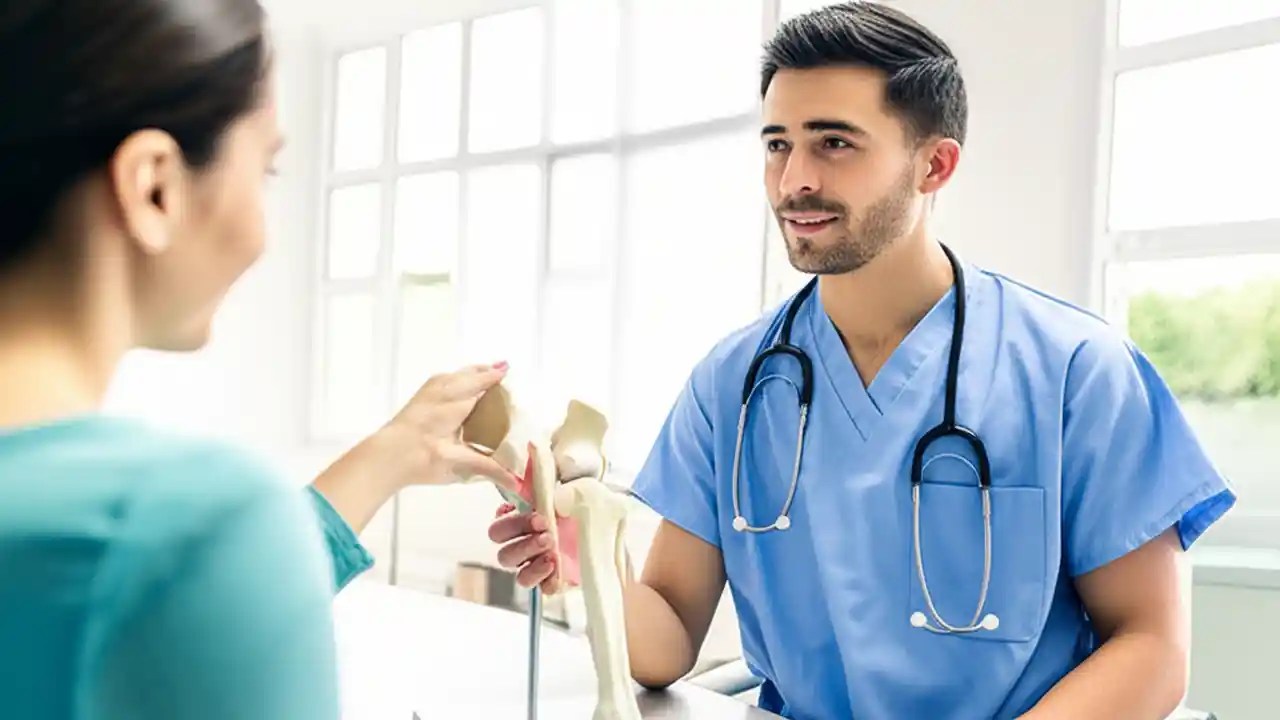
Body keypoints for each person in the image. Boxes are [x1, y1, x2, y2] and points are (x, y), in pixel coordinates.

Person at [490, 3, 1237, 719]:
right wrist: (585, 561)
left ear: (934, 165)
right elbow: (667, 643)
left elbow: (1151, 647)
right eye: (778, 143)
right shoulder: (733, 384)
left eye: (834, 143)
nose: (794, 181)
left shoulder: (1078, 371)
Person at [0, 1, 514, 718]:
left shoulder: (155, 540)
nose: (264, 231)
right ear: (154, 185)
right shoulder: (193, 527)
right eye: (266, 169)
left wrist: (390, 455)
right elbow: (181, 567)